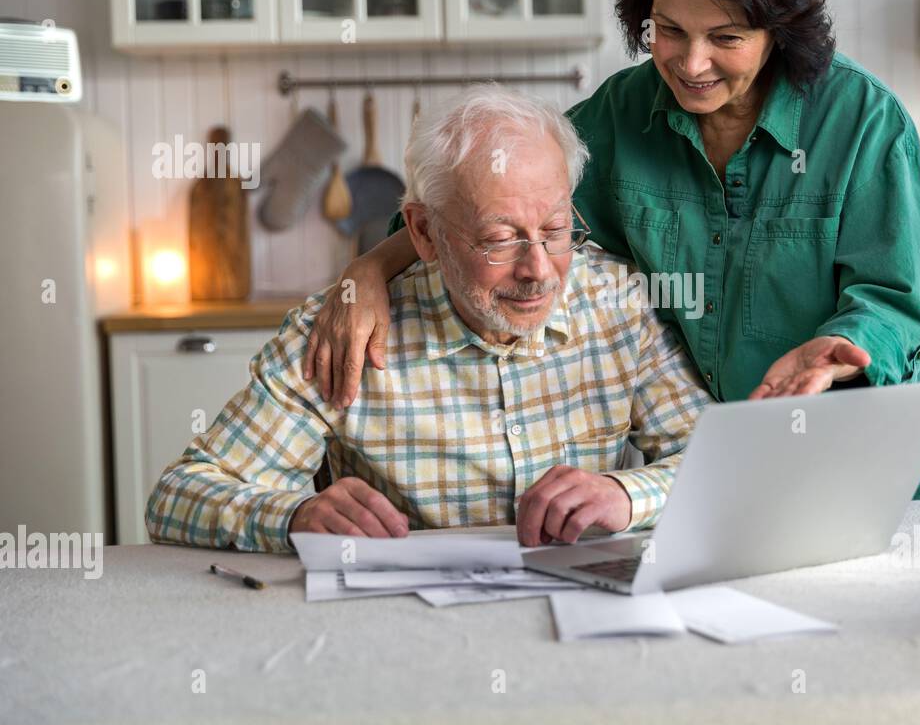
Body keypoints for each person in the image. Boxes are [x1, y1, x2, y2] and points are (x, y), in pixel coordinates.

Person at [305, 0, 920, 500]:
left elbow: (892, 303)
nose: (691, 64)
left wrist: (838, 350)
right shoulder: (619, 118)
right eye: (669, 30)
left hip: (856, 474)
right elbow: (464, 219)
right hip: (706, 480)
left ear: (779, 31)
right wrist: (366, 272)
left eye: (725, 38)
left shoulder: (866, 124)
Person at [147, 86, 713, 552]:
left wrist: (625, 494)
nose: (538, 270)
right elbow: (178, 497)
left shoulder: (621, 306)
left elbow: (715, 465)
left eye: (558, 231)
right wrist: (293, 515)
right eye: (499, 239)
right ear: (422, 232)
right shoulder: (342, 331)